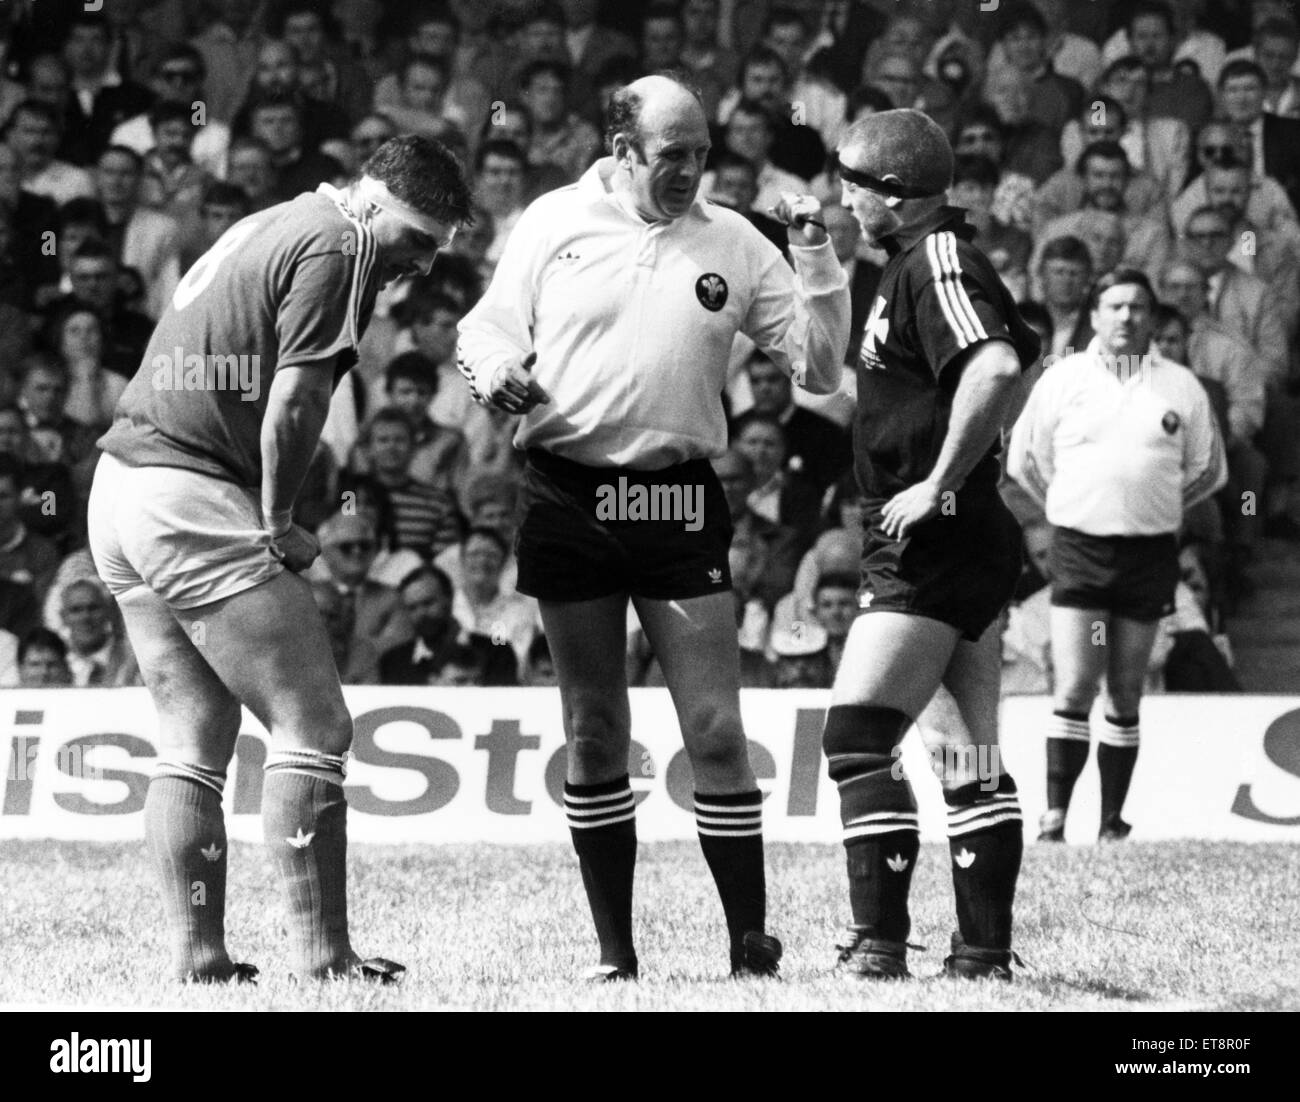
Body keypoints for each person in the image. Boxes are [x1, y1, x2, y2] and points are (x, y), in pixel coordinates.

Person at [457, 73, 849, 981]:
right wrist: (494, 373)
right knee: (594, 728)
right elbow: (484, 330)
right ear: (624, 150)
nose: (691, 171)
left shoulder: (735, 241)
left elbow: (822, 371)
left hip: (675, 500)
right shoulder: (552, 221)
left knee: (714, 726)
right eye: (674, 155)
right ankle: (614, 955)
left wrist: (819, 258)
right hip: (569, 493)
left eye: (703, 154)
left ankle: (749, 945)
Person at [87, 135, 472, 983]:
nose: (411, 266)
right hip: (189, 491)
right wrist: (280, 519)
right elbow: (296, 402)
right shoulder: (344, 244)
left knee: (195, 732)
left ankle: (201, 956)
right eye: (413, 241)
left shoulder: (287, 218)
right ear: (374, 201)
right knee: (316, 724)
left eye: (431, 254)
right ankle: (325, 960)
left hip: (121, 488)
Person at [829, 108, 1041, 982]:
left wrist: (940, 483)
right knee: (966, 754)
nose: (844, 198)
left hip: (930, 542)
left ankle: (879, 947)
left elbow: (995, 366)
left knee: (854, 739)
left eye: (854, 186)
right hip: (955, 538)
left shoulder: (939, 260)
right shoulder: (904, 266)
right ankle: (982, 954)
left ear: (895, 197)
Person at [1007, 269, 1227, 845]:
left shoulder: (1181, 386)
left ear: (1152, 318)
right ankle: (1054, 817)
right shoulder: (1063, 380)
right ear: (1095, 315)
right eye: (1114, 307)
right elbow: (1024, 463)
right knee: (1076, 684)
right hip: (1080, 550)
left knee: (1126, 688)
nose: (1127, 317)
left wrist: (1158, 507)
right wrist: (1070, 504)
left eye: (1137, 307)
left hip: (1150, 554)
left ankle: (1111, 822)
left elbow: (1210, 470)